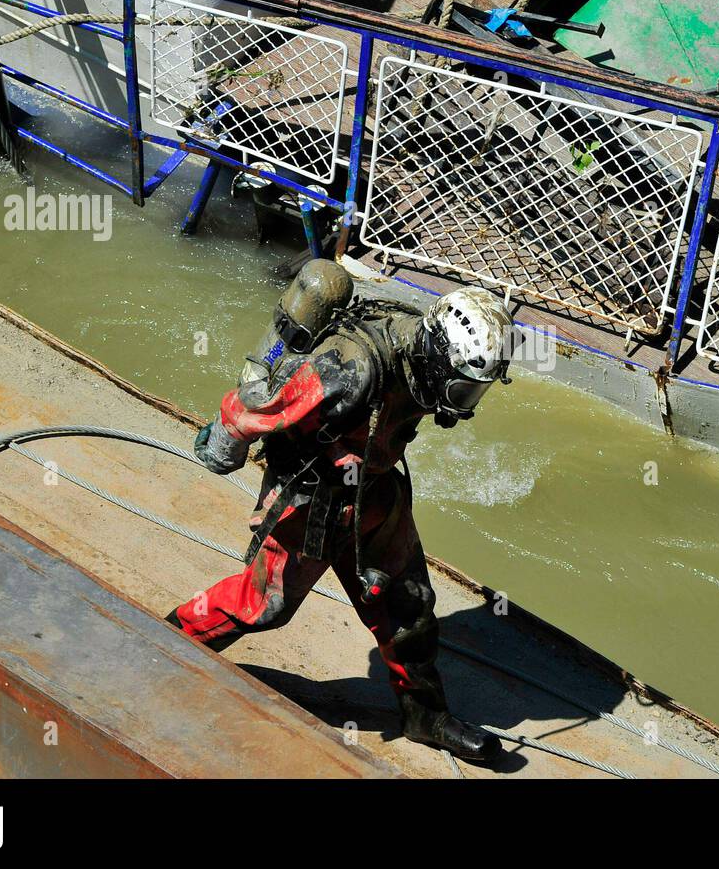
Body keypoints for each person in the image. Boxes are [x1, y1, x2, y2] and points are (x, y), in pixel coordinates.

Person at [166, 261, 512, 762]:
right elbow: (262, 405)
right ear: (439, 362)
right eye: (463, 391)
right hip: (313, 495)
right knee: (265, 605)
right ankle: (167, 638)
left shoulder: (424, 362)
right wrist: (227, 442)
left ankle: (425, 716)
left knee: (408, 601)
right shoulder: (350, 370)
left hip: (372, 490)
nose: (465, 405)